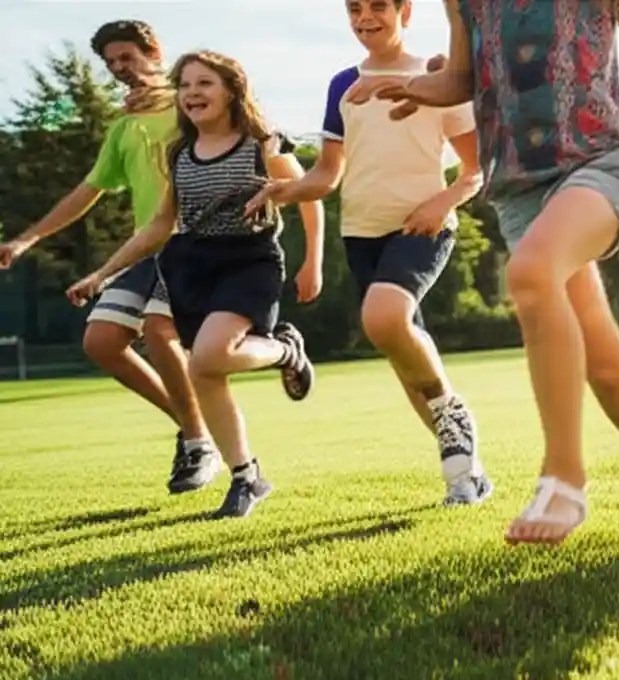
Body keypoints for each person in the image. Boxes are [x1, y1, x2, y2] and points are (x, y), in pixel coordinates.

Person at [347, 0, 619, 546]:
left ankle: (564, 477)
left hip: (602, 158)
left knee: (529, 273)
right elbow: (463, 77)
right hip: (521, 189)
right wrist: (419, 88)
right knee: (606, 367)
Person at [246, 0, 491, 506]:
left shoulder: (437, 77)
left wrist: (439, 203)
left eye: (378, 6)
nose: (364, 18)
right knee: (403, 357)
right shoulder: (342, 84)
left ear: (406, 11)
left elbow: (474, 170)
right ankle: (466, 475)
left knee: (383, 318)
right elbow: (327, 175)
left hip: (423, 227)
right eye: (354, 9)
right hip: (361, 235)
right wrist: (284, 191)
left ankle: (451, 410)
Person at [69, 51, 325, 519]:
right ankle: (247, 478)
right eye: (184, 85)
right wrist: (102, 274)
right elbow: (158, 227)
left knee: (208, 356)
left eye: (204, 83)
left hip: (248, 262)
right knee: (204, 370)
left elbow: (310, 195)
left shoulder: (261, 144)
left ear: (231, 90)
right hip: (192, 262)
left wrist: (314, 261)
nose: (192, 93)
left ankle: (287, 350)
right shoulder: (180, 153)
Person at [0, 20, 224, 494]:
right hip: (148, 248)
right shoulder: (124, 127)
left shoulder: (197, 100)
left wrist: (170, 93)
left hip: (203, 245)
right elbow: (87, 191)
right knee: (101, 342)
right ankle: (196, 429)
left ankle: (202, 439)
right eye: (112, 63)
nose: (120, 69)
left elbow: (236, 117)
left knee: (162, 335)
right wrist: (27, 240)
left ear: (154, 50)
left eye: (127, 57)